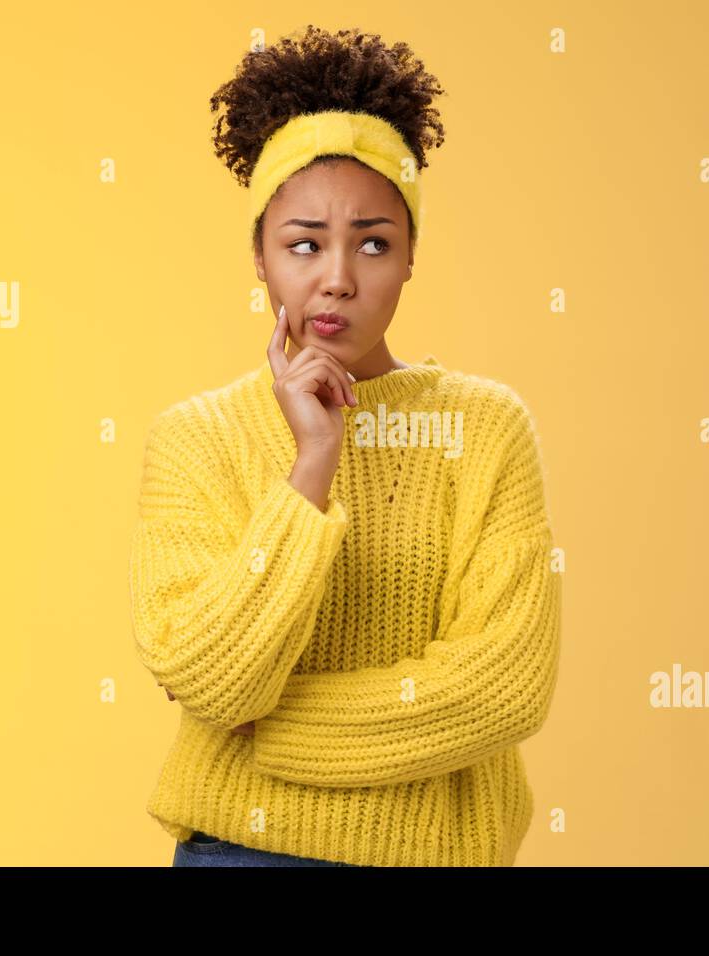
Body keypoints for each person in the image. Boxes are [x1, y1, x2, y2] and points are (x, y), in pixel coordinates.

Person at [130, 24, 561, 867]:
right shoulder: (195, 438)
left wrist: (276, 735)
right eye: (303, 244)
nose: (337, 277)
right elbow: (212, 680)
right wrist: (311, 463)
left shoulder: (486, 428)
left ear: (409, 259)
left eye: (373, 242)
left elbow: (503, 688)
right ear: (260, 259)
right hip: (240, 856)